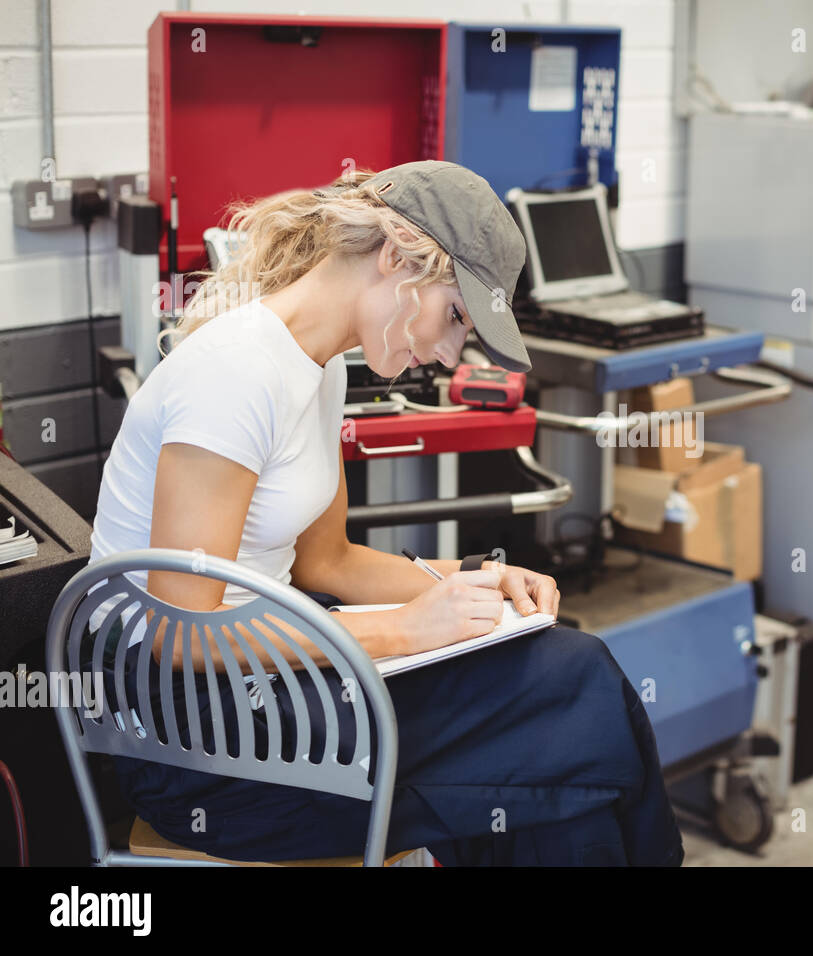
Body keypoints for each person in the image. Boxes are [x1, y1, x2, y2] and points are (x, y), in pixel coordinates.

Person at [87, 160, 684, 866]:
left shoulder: (320, 368)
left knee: (555, 681)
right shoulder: (235, 372)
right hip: (196, 738)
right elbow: (179, 634)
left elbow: (328, 563)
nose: (449, 354)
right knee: (567, 695)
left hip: (265, 685)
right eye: (455, 315)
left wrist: (476, 578)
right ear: (397, 257)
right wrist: (404, 631)